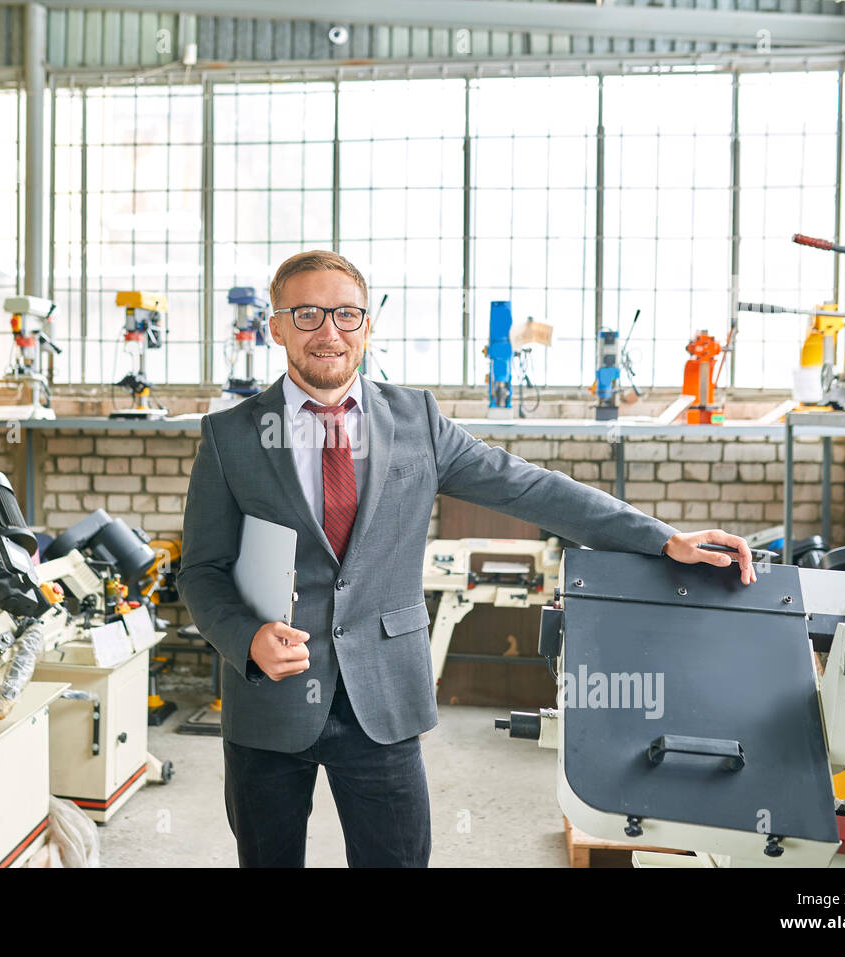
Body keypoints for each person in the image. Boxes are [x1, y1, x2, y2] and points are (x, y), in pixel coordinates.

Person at [176, 250, 756, 868]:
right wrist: (246, 639)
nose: (329, 332)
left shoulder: (415, 421)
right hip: (268, 698)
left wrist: (660, 538)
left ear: (367, 325)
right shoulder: (231, 436)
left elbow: (528, 487)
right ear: (277, 326)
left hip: (383, 697)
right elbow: (202, 570)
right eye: (308, 313)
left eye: (346, 314)